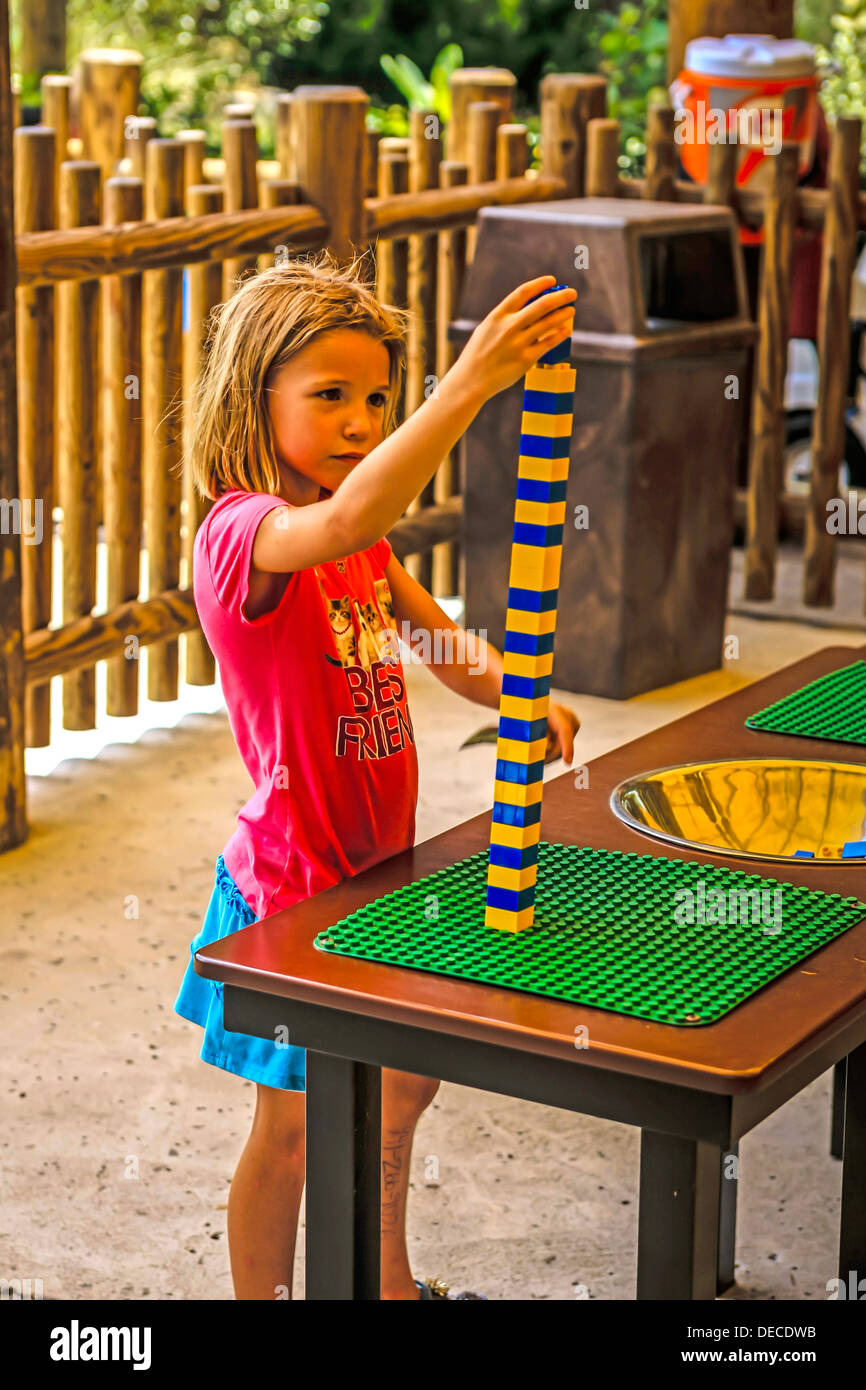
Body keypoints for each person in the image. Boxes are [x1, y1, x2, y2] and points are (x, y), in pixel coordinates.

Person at [173, 248, 580, 1300]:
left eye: (378, 398)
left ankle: (383, 1285)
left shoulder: (363, 547)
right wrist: (465, 388)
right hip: (288, 885)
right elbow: (346, 515)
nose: (362, 418)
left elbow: (444, 646)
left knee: (403, 1087)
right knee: (298, 1125)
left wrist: (519, 698)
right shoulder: (246, 535)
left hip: (373, 875)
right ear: (250, 396)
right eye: (332, 395)